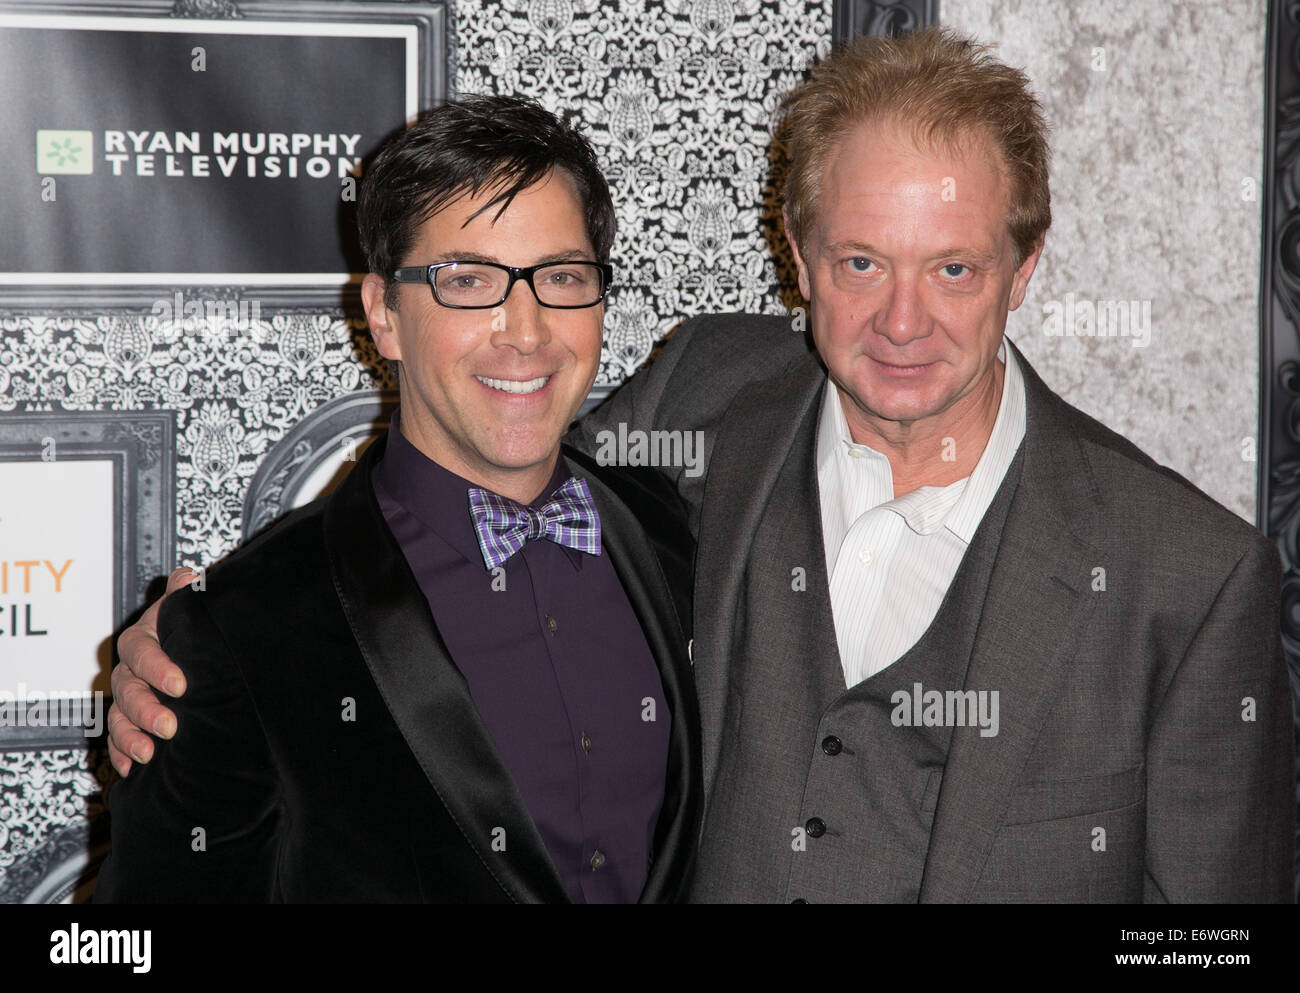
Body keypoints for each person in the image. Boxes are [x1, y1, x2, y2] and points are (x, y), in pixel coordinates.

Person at [108, 28, 1295, 902]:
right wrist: (201, 643)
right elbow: (474, 470)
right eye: (861, 261)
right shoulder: (709, 403)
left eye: (954, 269)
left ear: (1024, 269)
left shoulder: (1185, 577)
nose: (901, 321)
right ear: (796, 252)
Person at [94, 95, 701, 903]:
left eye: (561, 276)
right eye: (469, 281)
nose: (525, 330)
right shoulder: (243, 627)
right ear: (384, 315)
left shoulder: (671, 531)